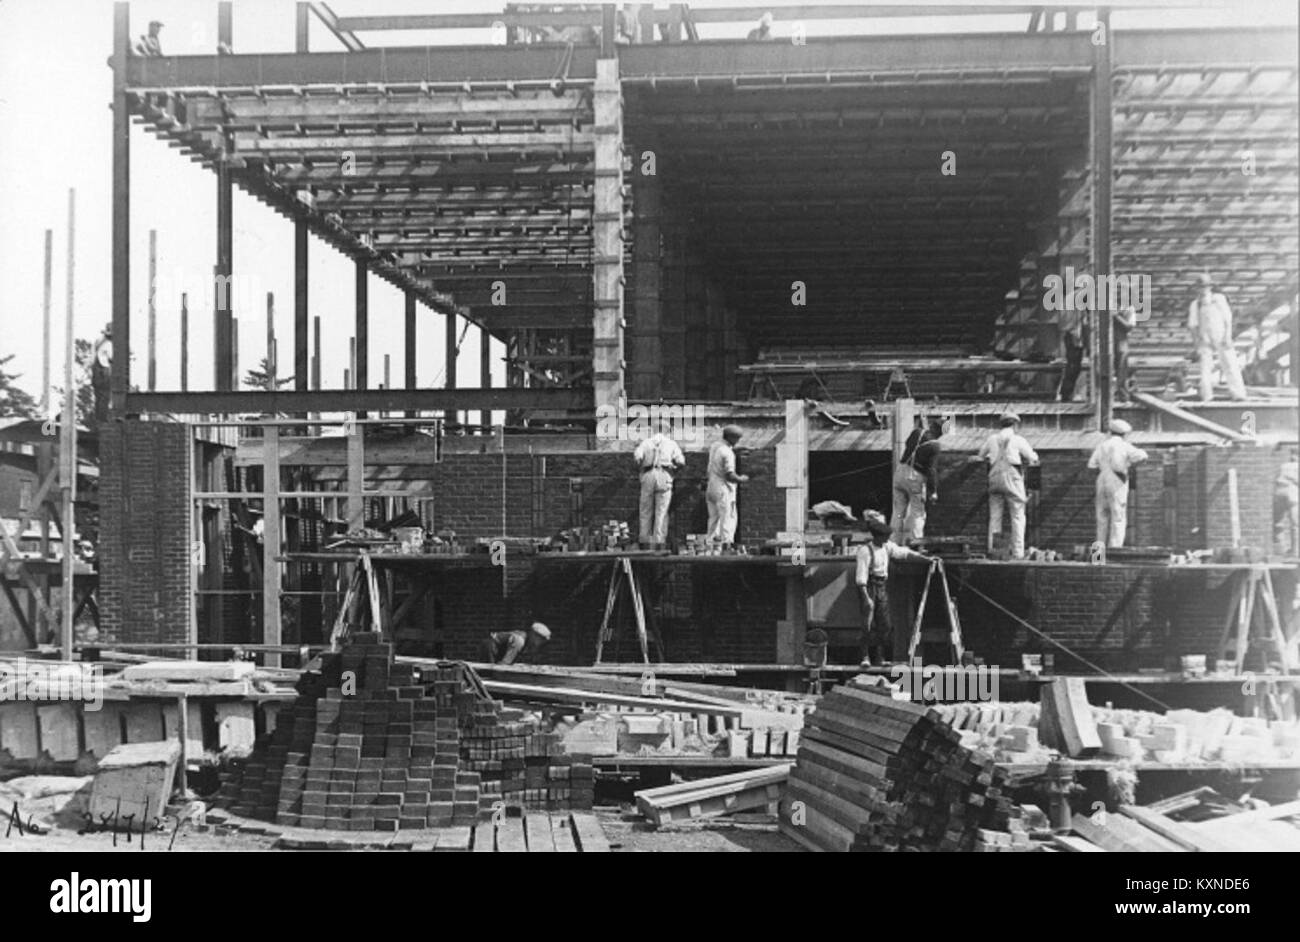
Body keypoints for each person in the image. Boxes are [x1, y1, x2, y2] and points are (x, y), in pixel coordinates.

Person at [855, 511, 928, 666]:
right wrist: (867, 599)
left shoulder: (887, 547)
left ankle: (880, 657)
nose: (887, 539)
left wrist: (925, 559)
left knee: (885, 625)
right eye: (884, 537)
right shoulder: (865, 551)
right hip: (868, 587)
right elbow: (861, 578)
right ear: (877, 536)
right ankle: (865, 657)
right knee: (867, 625)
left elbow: (904, 553)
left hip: (881, 586)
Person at [974, 413, 1039, 559]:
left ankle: (994, 551)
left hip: (994, 477)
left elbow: (981, 455)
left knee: (995, 516)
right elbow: (1033, 458)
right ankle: (1018, 553)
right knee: (1017, 515)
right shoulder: (1018, 439)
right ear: (1015, 424)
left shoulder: (992, 439)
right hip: (1012, 478)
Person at [1087, 419, 1148, 548]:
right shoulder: (1124, 445)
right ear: (1124, 434)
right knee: (1118, 517)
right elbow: (1142, 456)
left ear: (1110, 432)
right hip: (1117, 480)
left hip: (1102, 478)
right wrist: (1130, 464)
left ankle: (1098, 558)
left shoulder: (1101, 445)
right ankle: (1114, 553)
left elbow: (1092, 465)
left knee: (1101, 518)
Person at [1188, 273, 1247, 402]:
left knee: (1230, 364)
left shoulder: (1219, 299)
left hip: (1221, 335)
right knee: (1205, 368)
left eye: (1205, 286)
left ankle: (1238, 393)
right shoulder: (1195, 304)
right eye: (1200, 287)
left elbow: (1227, 319)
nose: (1203, 289)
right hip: (1205, 338)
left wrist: (1228, 336)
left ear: (1210, 287)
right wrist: (1197, 342)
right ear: (1197, 288)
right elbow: (1192, 326)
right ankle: (1206, 395)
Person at [891, 416, 945, 544]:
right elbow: (931, 470)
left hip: (900, 471)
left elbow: (908, 444)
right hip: (914, 477)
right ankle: (915, 544)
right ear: (941, 433)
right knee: (918, 512)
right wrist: (933, 491)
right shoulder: (935, 446)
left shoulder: (917, 432)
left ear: (931, 426)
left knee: (898, 511)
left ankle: (893, 543)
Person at [633, 421, 685, 546]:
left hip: (648, 474)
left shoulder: (645, 442)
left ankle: (644, 540)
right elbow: (681, 462)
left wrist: (642, 469)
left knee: (645, 510)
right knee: (662, 510)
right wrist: (673, 471)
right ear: (667, 430)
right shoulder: (671, 444)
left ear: (653, 429)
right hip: (664, 474)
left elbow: (637, 458)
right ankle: (659, 541)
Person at [706, 425, 749, 545]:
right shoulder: (727, 452)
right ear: (731, 437)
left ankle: (711, 546)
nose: (738, 441)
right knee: (727, 518)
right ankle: (726, 545)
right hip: (723, 488)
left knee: (713, 519)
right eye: (737, 438)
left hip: (711, 486)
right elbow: (730, 475)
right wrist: (742, 479)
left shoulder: (715, 447)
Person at [483, 622, 552, 665]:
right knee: (491, 674)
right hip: (491, 647)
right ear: (533, 635)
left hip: (497, 649)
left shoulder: (527, 642)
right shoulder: (519, 641)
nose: (541, 643)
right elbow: (505, 664)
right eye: (540, 639)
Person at [1276, 448, 1299, 556]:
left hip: (1278, 492)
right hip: (1292, 493)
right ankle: (1296, 551)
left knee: (1278, 523)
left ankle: (1281, 550)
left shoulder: (1283, 466)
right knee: (1295, 523)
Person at [1112, 305, 1138, 401]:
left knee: (1121, 369)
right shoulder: (1109, 306)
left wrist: (1116, 317)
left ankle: (1122, 395)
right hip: (1109, 343)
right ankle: (1113, 394)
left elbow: (1129, 326)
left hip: (1121, 342)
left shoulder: (1129, 309)